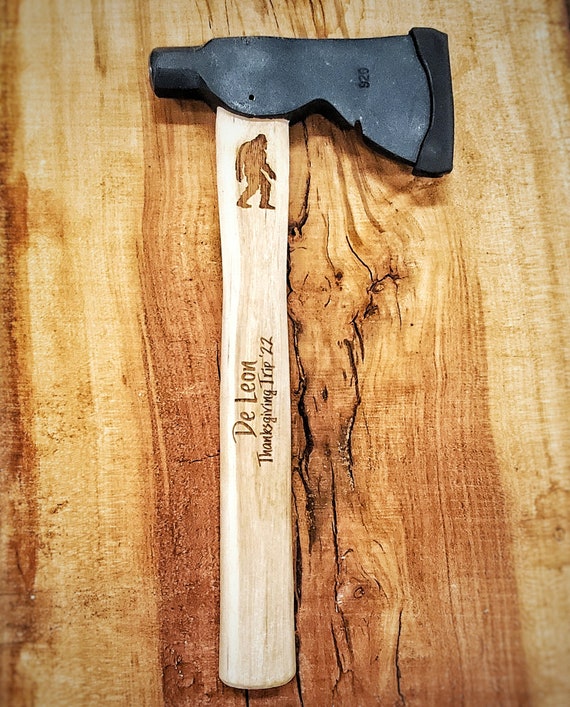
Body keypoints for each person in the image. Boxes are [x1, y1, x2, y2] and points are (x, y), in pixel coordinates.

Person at [236, 134, 276, 209]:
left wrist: (270, 172)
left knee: (266, 184)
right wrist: (239, 171)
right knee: (253, 188)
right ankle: (241, 201)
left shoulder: (263, 153)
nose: (264, 146)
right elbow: (240, 158)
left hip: (257, 172)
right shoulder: (248, 146)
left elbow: (263, 165)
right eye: (263, 144)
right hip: (250, 172)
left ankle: (264, 203)